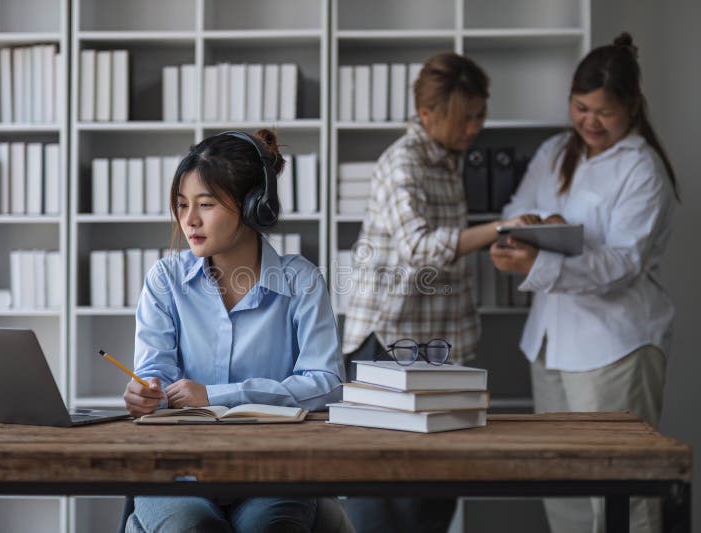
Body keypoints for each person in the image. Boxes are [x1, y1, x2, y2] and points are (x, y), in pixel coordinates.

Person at [339, 53, 535, 533]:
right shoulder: (402, 164)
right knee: (385, 498)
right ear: (427, 114)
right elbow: (421, 249)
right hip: (391, 344)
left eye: (480, 114)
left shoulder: (448, 161)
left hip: (442, 347)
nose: (476, 127)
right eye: (465, 116)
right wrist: (498, 228)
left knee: (437, 491)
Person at [491, 32, 678, 533]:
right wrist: (527, 225)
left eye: (604, 112)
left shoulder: (642, 168)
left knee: (621, 491)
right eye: (580, 107)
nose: (590, 122)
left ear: (632, 107)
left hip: (614, 348)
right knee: (563, 485)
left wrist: (538, 261)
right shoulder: (556, 151)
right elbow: (511, 213)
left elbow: (622, 263)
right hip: (550, 345)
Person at [123, 129, 345, 533]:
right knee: (192, 528)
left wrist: (215, 396)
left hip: (272, 469)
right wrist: (146, 393)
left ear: (254, 207)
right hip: (177, 471)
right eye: (181, 205)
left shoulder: (302, 281)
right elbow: (156, 377)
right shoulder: (165, 280)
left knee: (272, 526)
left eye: (205, 205)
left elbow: (326, 384)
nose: (189, 220)